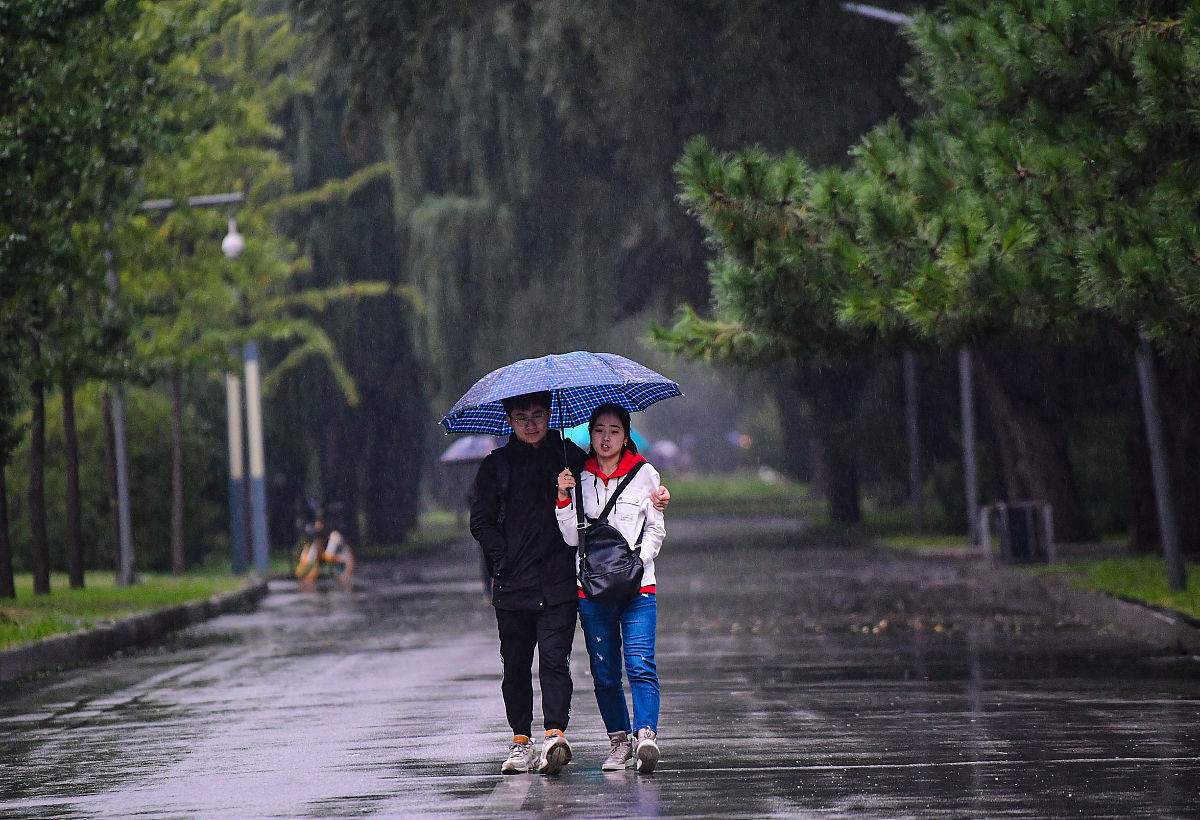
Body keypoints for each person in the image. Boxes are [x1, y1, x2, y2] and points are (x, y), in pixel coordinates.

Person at [470, 391, 669, 776]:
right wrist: (503, 558)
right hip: (512, 585)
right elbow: (481, 522)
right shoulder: (496, 466)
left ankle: (555, 735)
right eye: (522, 416)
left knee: (555, 662)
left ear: (550, 416)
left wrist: (658, 495)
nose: (531, 423)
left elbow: (620, 479)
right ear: (509, 420)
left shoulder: (572, 460)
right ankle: (520, 741)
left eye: (539, 414)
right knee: (515, 666)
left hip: (561, 584)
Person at [555, 403, 666, 774]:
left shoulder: (645, 474)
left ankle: (646, 735)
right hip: (593, 590)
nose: (606, 438)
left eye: (614, 431)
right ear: (590, 434)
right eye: (599, 430)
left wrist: (640, 559)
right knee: (604, 672)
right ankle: (620, 743)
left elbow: (656, 527)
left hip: (639, 589)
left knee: (640, 663)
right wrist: (564, 498)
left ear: (626, 434)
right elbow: (572, 536)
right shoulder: (578, 477)